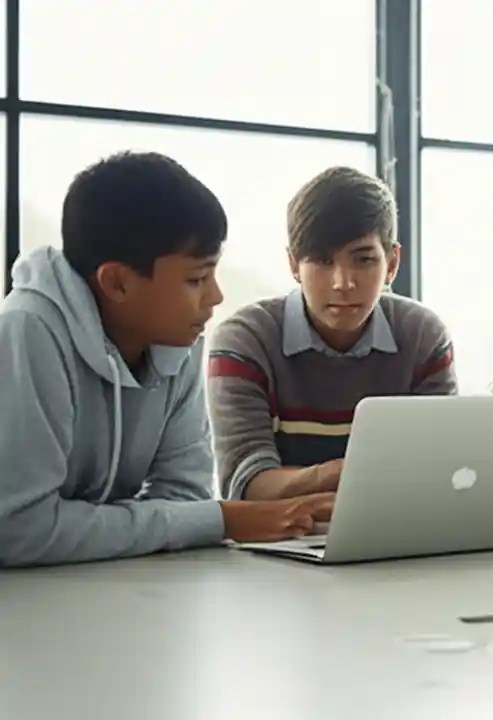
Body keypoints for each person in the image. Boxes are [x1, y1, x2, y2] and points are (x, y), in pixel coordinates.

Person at [0, 151, 332, 567]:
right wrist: (224, 519)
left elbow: (185, 499)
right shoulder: (28, 332)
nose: (215, 297)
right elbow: (19, 530)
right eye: (196, 279)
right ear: (117, 283)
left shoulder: (176, 337)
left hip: (104, 584)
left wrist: (206, 520)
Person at [207, 166, 457, 502]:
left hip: (399, 525)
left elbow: (441, 470)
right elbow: (246, 486)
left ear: (392, 263)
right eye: (322, 261)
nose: (343, 282)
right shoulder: (246, 342)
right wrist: (346, 473)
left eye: (363, 260)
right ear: (294, 264)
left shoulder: (423, 337)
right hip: (284, 533)